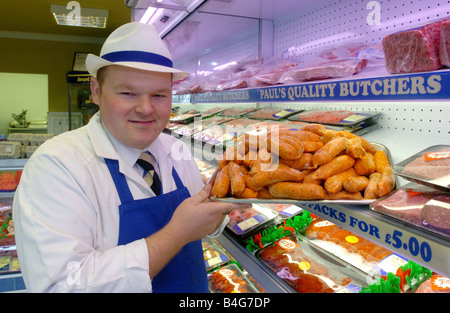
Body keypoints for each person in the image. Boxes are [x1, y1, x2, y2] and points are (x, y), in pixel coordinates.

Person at [12, 22, 250, 293]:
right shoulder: (55, 166)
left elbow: (204, 225)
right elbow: (63, 286)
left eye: (159, 95)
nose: (146, 108)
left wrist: (220, 213)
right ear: (96, 91)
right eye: (128, 93)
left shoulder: (176, 149)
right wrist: (176, 234)